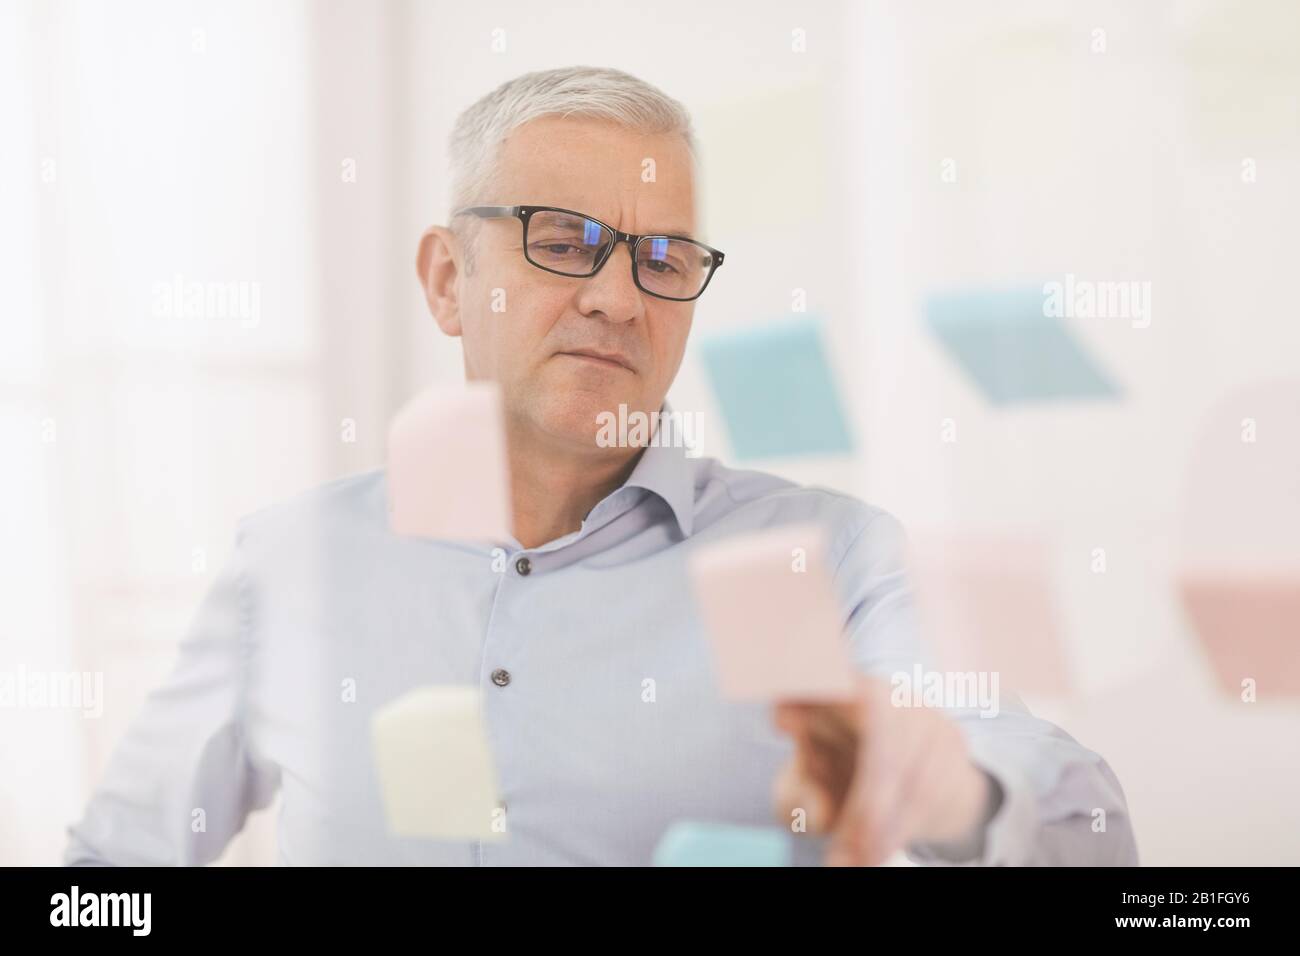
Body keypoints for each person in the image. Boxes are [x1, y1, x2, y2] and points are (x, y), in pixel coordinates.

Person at [66, 66, 1137, 866]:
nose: (619, 299)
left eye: (662, 259)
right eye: (564, 242)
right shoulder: (294, 559)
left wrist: (959, 792)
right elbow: (109, 870)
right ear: (448, 280)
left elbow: (1087, 826)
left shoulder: (827, 562)